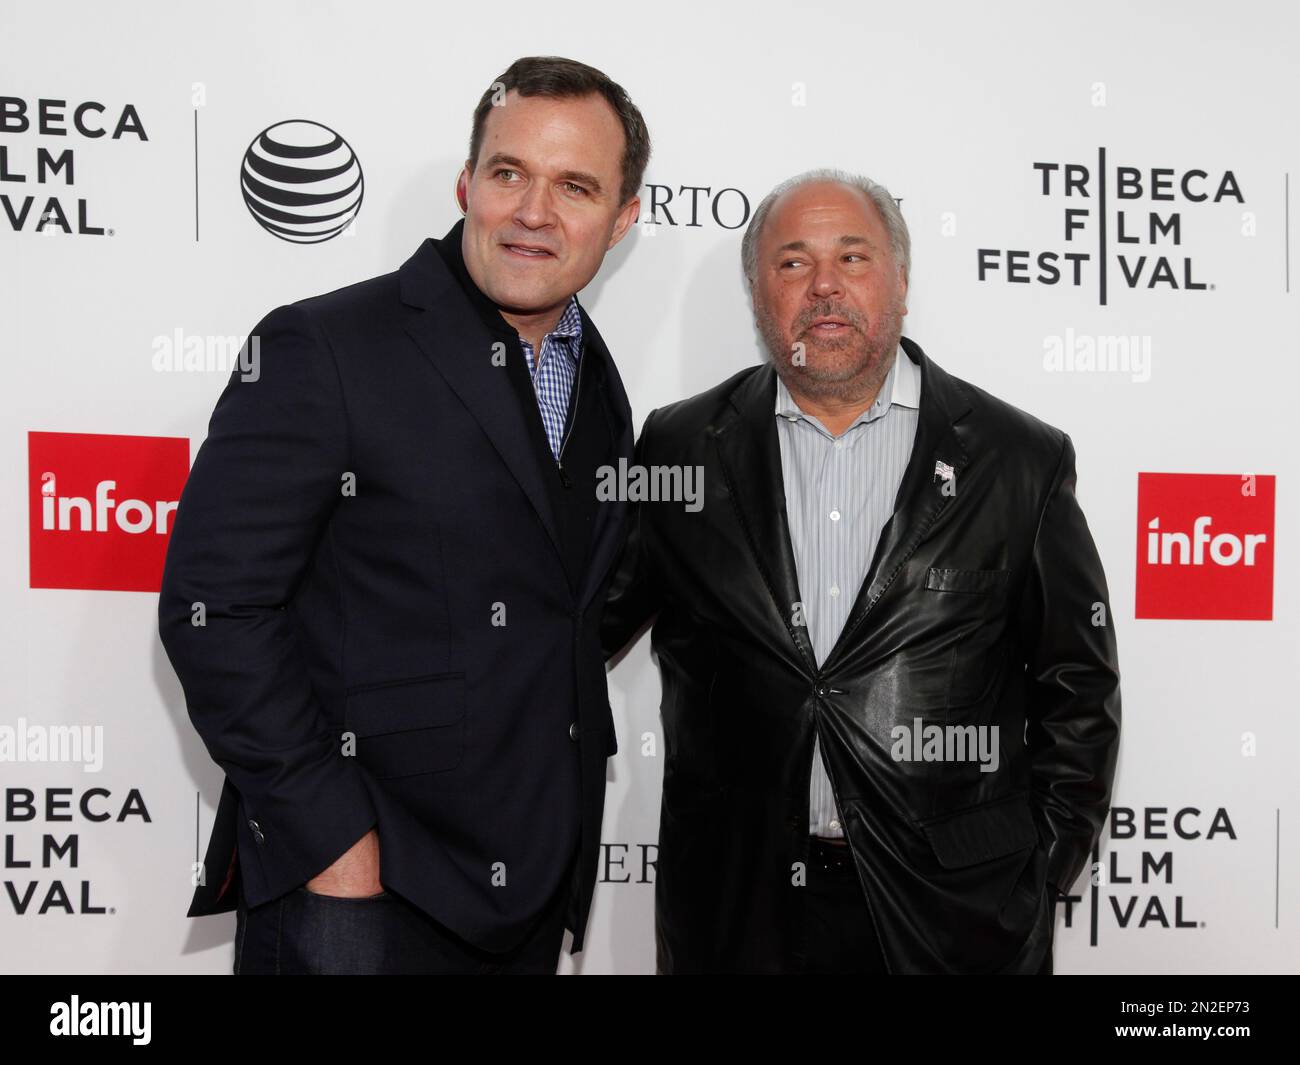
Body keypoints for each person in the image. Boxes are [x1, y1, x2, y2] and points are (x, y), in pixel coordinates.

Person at [158, 55, 650, 974]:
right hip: (359, 893)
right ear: (468, 184)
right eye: (510, 173)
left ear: (622, 220)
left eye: (575, 186)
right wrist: (333, 839)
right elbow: (214, 609)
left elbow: (570, 608)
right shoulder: (327, 346)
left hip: (529, 893)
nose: (535, 211)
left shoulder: (598, 380)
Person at [602, 168, 1121, 974]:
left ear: (901, 281)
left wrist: (1035, 869)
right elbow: (586, 623)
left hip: (953, 916)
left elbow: (1078, 689)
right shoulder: (678, 447)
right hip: (737, 912)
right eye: (792, 262)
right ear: (757, 290)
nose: (824, 287)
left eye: (853, 257)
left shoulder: (1019, 460)